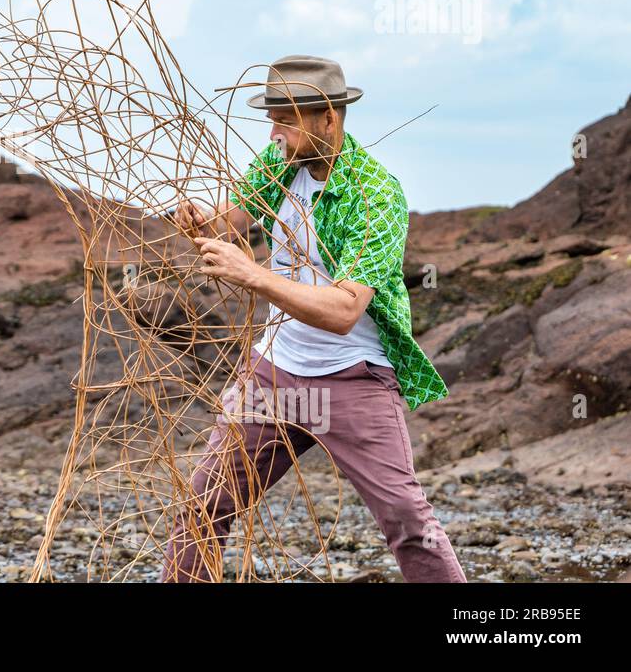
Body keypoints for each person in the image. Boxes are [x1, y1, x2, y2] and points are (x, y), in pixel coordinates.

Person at [164, 54, 465, 582]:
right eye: (272, 115)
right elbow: (231, 221)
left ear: (329, 118)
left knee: (408, 523)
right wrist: (200, 218)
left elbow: (346, 310)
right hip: (274, 372)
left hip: (354, 376)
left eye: (287, 117)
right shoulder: (277, 162)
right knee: (204, 508)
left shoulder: (375, 194)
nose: (274, 129)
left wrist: (252, 274)